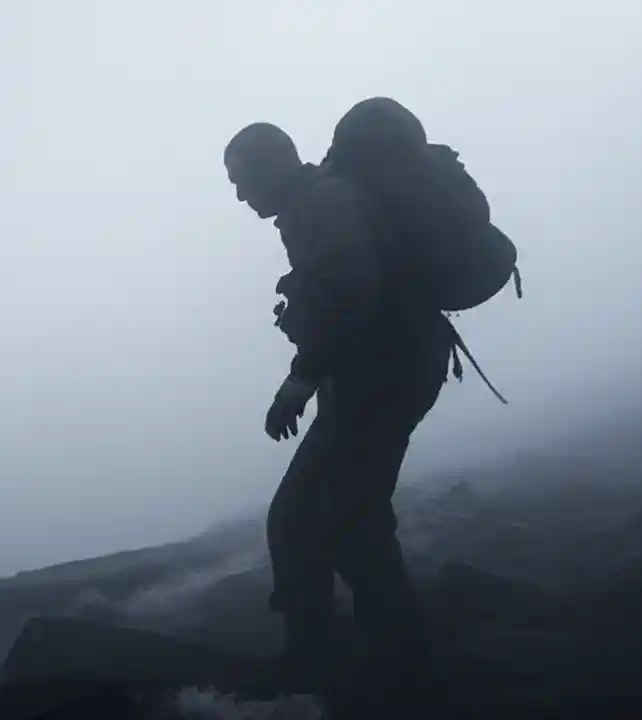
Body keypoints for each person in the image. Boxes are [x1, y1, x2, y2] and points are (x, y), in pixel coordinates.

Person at [224, 121, 454, 704]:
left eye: (241, 180)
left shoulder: (323, 203)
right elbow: (346, 291)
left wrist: (300, 379)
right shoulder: (318, 202)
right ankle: (381, 667)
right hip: (382, 375)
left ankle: (358, 672)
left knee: (323, 522)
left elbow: (353, 291)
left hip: (382, 379)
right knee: (336, 519)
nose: (239, 196)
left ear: (271, 166)